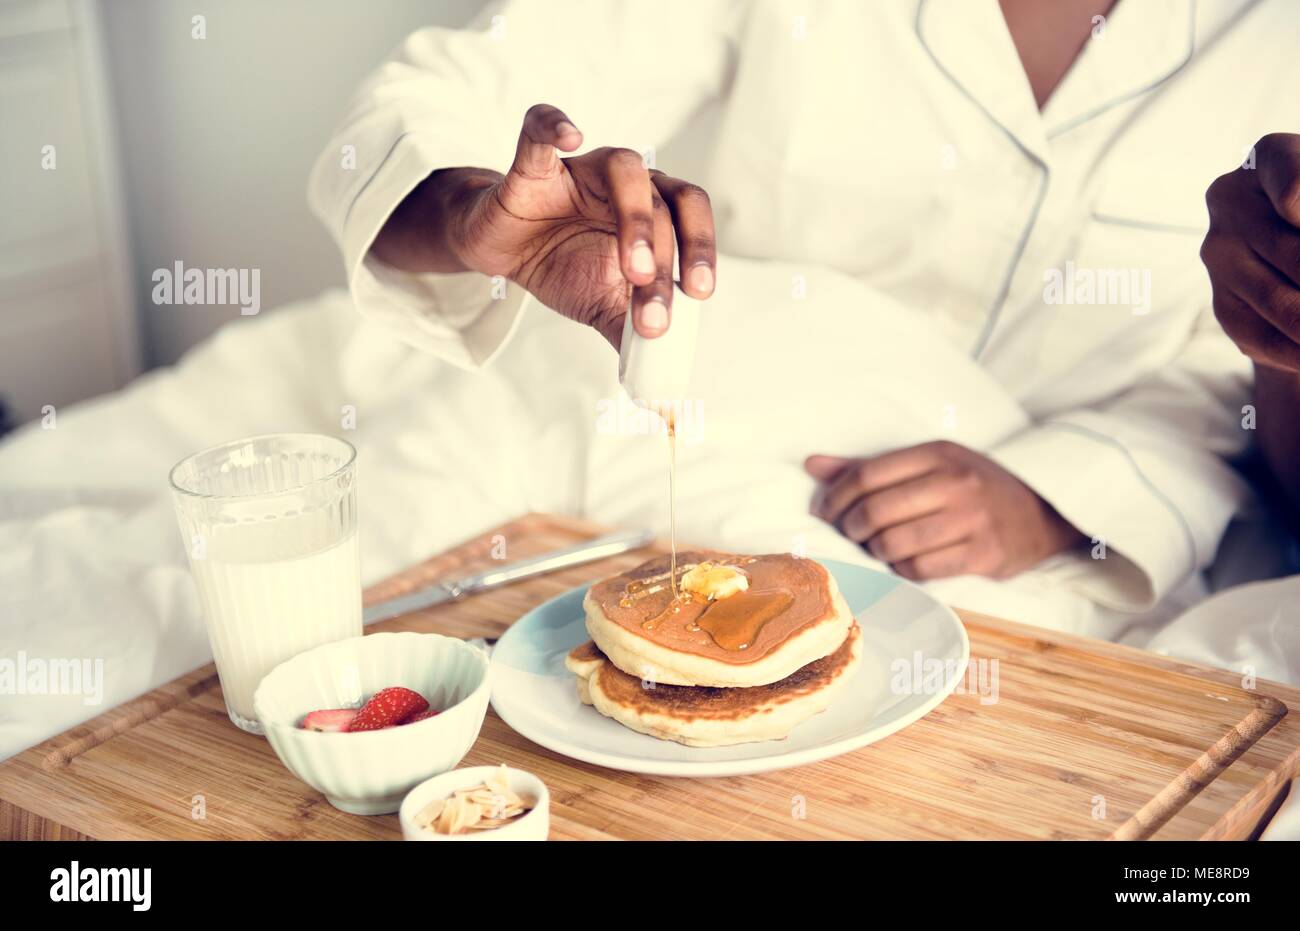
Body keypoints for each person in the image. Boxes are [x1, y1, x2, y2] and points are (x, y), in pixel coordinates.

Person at [309, 0, 1300, 622]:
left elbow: (1237, 410)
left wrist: (1058, 500)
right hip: (706, 432)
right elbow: (436, 100)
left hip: (1094, 534)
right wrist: (472, 218)